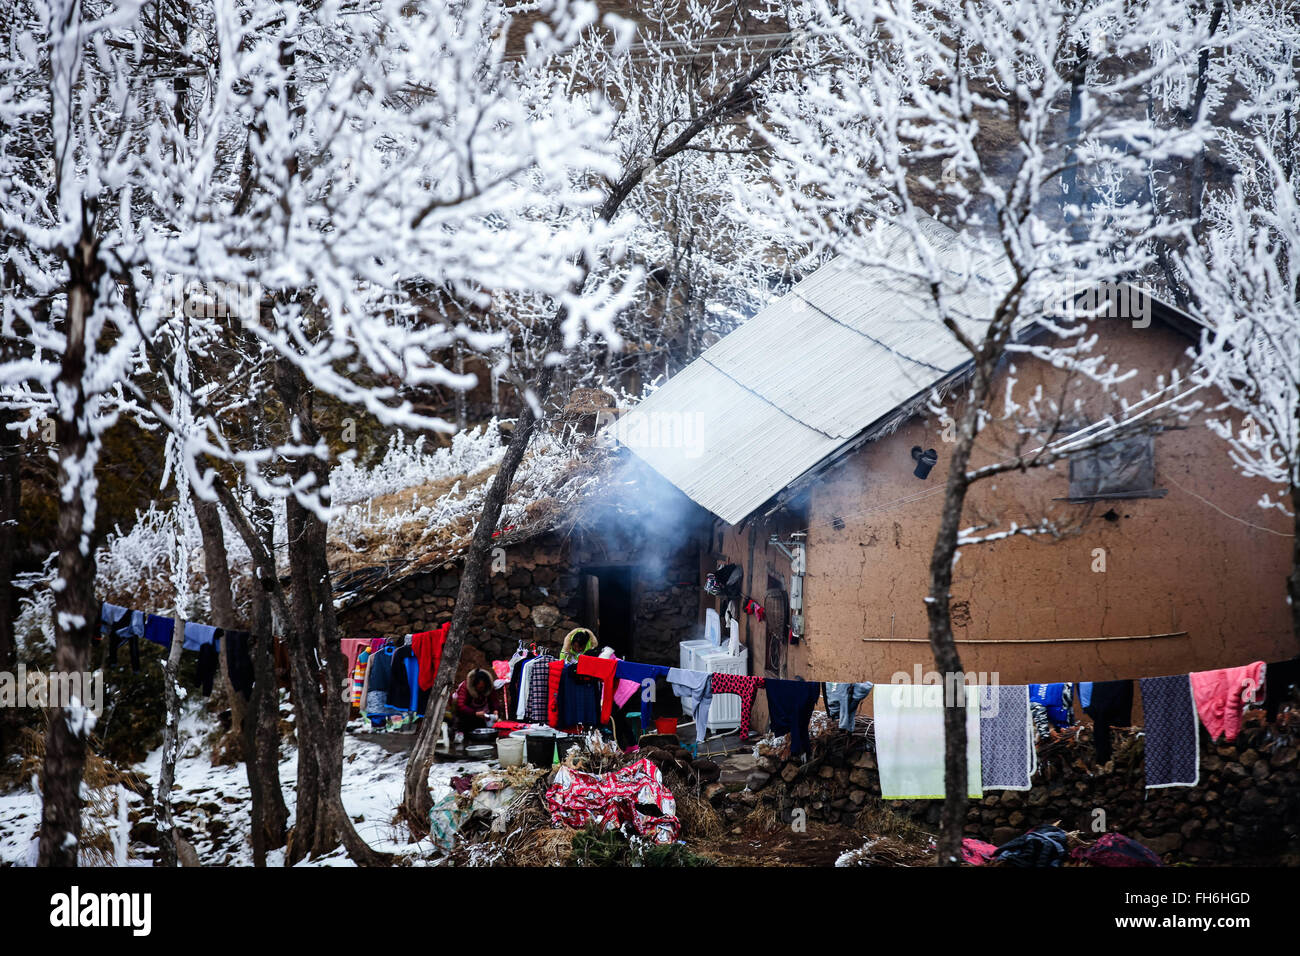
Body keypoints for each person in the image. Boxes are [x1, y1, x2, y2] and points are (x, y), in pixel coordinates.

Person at [448, 668, 503, 734]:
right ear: (474, 685)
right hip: (468, 713)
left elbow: (494, 701)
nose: (482, 689)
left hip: (483, 713)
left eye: (483, 687)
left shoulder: (489, 687)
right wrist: (475, 713)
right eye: (480, 688)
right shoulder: (465, 687)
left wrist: (495, 710)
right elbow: (461, 706)